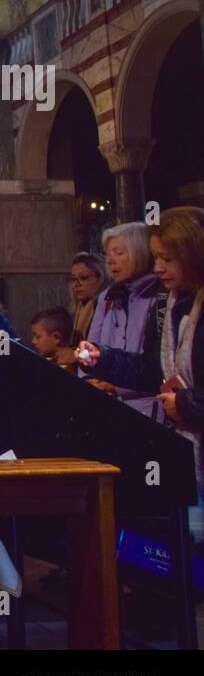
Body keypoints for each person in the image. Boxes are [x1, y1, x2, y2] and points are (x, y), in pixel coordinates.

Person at [79, 206, 204, 540]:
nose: (158, 267)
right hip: (183, 440)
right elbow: (153, 369)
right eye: (156, 257)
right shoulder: (176, 302)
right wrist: (102, 358)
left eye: (167, 258)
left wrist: (188, 405)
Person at [79, 222, 161, 415]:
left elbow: (154, 365)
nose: (110, 260)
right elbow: (91, 344)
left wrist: (116, 386)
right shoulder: (106, 297)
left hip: (147, 405)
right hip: (107, 403)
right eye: (108, 253)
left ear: (139, 253)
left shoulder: (159, 297)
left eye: (119, 253)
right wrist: (89, 380)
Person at [68, 251, 108, 346]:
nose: (76, 284)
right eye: (73, 279)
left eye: (84, 277)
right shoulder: (81, 306)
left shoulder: (107, 307)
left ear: (101, 278)